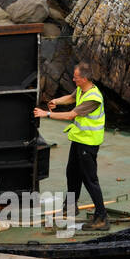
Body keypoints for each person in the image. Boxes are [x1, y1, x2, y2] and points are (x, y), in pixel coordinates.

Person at [34, 62, 108, 231]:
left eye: (75, 77)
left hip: (88, 143)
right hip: (78, 140)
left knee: (90, 180)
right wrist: (56, 101)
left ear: (84, 78)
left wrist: (46, 114)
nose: (73, 79)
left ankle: (102, 217)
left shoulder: (93, 98)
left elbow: (71, 115)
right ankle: (71, 205)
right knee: (72, 172)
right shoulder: (82, 89)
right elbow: (71, 97)